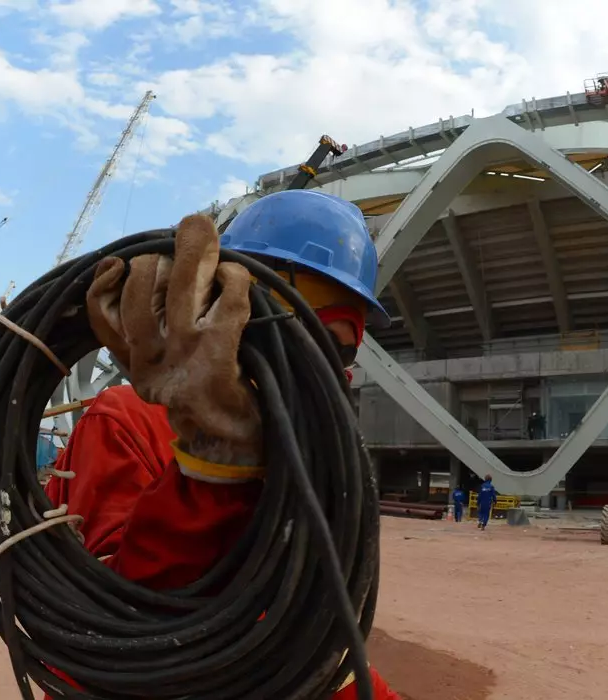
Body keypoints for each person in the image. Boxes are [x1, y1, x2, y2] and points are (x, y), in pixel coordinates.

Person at [45, 190, 400, 699]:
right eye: (302, 334)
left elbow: (318, 630)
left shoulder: (320, 459)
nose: (314, 368)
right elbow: (115, 619)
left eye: (336, 349)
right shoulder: (125, 419)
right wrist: (212, 471)